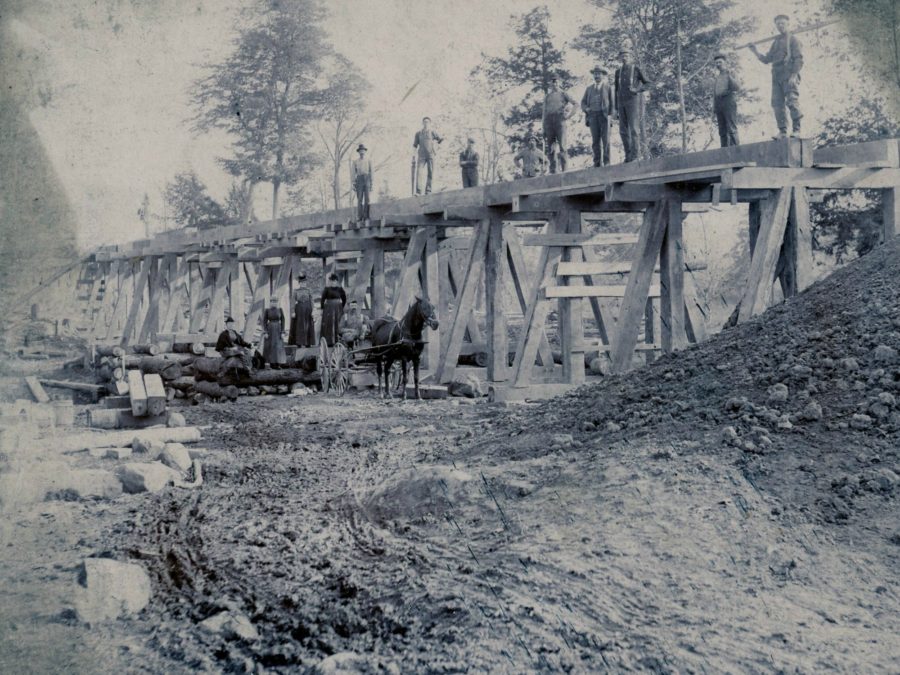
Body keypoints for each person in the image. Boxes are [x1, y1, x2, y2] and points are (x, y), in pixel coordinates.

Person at [750, 14, 803, 138]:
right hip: (776, 76)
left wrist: (794, 75)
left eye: (782, 23)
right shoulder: (776, 42)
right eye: (778, 23)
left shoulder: (793, 40)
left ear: (788, 24)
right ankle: (782, 132)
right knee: (777, 104)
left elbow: (799, 59)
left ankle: (797, 130)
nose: (780, 25)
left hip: (788, 74)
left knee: (792, 101)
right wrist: (755, 51)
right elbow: (767, 59)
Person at [614, 42, 651, 162]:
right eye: (622, 56)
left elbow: (648, 83)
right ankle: (628, 156)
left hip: (633, 102)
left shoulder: (636, 69)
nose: (624, 58)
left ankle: (635, 155)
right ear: (620, 58)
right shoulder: (618, 72)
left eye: (626, 55)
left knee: (634, 129)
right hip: (621, 103)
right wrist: (615, 108)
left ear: (631, 57)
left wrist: (636, 90)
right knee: (623, 130)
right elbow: (616, 90)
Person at [581, 65, 615, 166]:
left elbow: (612, 103)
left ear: (603, 75)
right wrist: (586, 109)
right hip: (592, 117)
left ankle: (607, 162)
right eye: (595, 74)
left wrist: (610, 116)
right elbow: (583, 102)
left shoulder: (608, 87)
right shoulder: (589, 89)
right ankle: (597, 163)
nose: (597, 76)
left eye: (599, 74)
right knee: (595, 140)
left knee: (606, 140)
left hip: (604, 116)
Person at [542, 74, 576, 173]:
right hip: (549, 122)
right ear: (550, 84)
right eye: (552, 82)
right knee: (551, 147)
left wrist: (568, 115)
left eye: (556, 81)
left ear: (559, 82)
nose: (554, 84)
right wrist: (543, 127)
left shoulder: (563, 94)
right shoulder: (547, 97)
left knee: (562, 146)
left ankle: (565, 170)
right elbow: (544, 113)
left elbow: (575, 104)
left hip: (559, 120)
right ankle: (553, 171)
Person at [712, 53, 741, 147]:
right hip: (719, 103)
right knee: (722, 130)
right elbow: (715, 93)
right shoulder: (718, 77)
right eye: (716, 63)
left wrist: (729, 76)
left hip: (728, 100)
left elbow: (737, 87)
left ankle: (736, 149)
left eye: (720, 62)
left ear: (725, 63)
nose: (718, 64)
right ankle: (724, 151)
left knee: (731, 127)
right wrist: (714, 108)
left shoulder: (731, 73)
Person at [412, 116, 443, 195]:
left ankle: (428, 190)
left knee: (430, 172)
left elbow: (440, 140)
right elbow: (415, 145)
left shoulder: (433, 132)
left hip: (430, 155)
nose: (426, 123)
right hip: (421, 156)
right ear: (422, 123)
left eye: (427, 122)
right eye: (424, 122)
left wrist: (436, 149)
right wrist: (413, 156)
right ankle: (418, 191)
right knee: (419, 172)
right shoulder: (418, 133)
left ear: (430, 123)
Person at [319, 273, 347, 347]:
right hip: (328, 309)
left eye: (334, 281)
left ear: (336, 281)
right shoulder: (327, 289)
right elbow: (322, 299)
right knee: (329, 324)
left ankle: (338, 341)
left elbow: (344, 298)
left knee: (338, 323)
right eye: (331, 281)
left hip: (338, 309)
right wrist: (322, 308)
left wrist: (341, 307)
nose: (333, 282)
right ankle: (329, 342)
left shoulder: (340, 289)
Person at [289, 273, 315, 348]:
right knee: (299, 326)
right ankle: (299, 342)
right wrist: (293, 311)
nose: (303, 284)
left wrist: (313, 310)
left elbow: (312, 301)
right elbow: (293, 301)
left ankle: (308, 342)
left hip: (308, 309)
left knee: (308, 325)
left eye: (304, 282)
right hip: (299, 310)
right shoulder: (296, 291)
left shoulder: (309, 290)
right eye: (302, 283)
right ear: (299, 283)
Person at [262, 297, 287, 368]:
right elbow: (264, 321)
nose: (274, 303)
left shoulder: (280, 310)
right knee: (270, 346)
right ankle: (271, 363)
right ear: (270, 303)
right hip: (270, 329)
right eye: (272, 301)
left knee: (278, 346)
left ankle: (278, 363)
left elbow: (283, 320)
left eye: (275, 302)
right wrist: (265, 332)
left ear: (277, 302)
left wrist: (282, 332)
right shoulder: (267, 310)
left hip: (278, 329)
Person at [351, 143, 373, 223]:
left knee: (367, 199)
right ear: (358, 152)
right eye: (360, 151)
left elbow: (371, 172)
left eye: (363, 150)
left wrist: (372, 183)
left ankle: (366, 216)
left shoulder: (369, 160)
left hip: (367, 179)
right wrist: (353, 183)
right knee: (359, 199)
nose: (362, 152)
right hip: (359, 180)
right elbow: (353, 173)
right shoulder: (355, 162)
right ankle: (359, 217)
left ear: (365, 151)